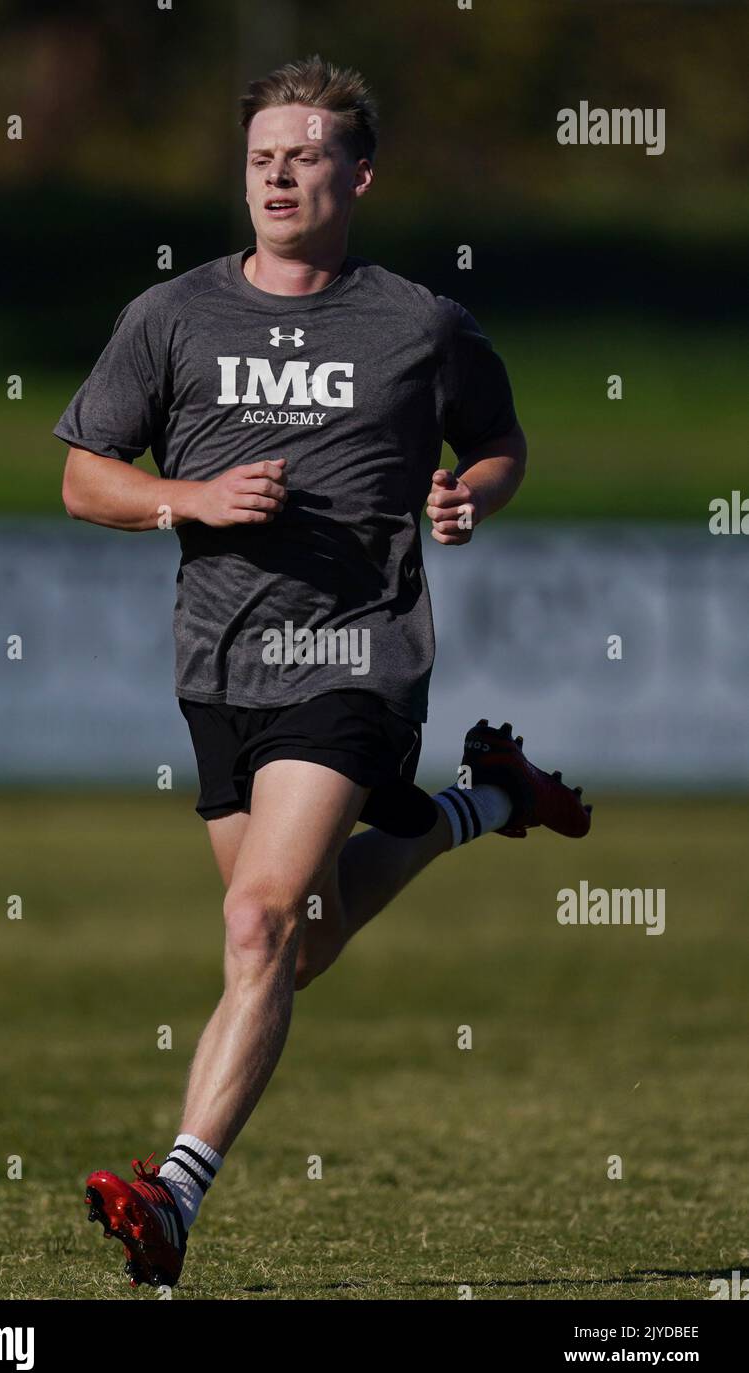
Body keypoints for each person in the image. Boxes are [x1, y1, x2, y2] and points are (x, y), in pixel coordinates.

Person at [55, 55, 590, 1291]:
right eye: (260, 156)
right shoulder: (172, 316)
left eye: (303, 154)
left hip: (355, 652)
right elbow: (85, 477)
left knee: (254, 920)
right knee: (295, 944)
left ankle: (173, 1188)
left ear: (357, 174)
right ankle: (486, 801)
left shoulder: (417, 323)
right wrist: (185, 497)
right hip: (218, 658)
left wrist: (467, 497)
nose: (278, 171)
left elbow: (498, 441)